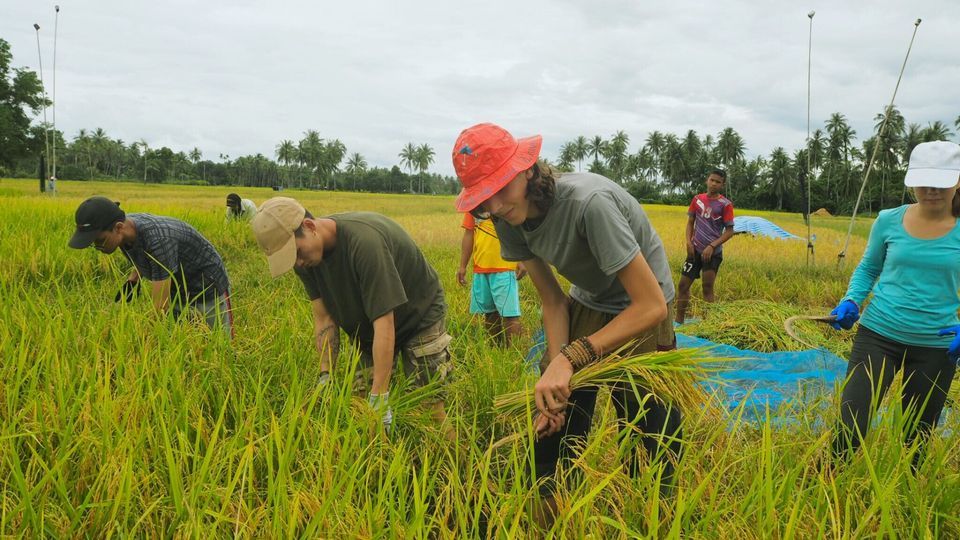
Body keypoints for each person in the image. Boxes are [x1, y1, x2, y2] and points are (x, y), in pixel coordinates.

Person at [451, 123, 681, 518]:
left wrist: (572, 356)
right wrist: (557, 369)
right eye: (483, 198)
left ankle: (653, 511)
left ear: (526, 170)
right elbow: (554, 302)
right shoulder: (505, 218)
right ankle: (550, 510)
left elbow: (651, 306)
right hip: (587, 296)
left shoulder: (589, 204)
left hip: (642, 299)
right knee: (558, 412)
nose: (495, 206)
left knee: (644, 417)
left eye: (500, 188)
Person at [250, 197, 453, 433]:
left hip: (418, 316)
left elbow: (385, 323)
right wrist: (326, 374)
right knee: (361, 409)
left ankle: (458, 463)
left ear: (310, 226)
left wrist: (380, 396)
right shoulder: (305, 260)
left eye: (296, 252)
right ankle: (380, 465)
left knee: (429, 408)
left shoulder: (365, 243)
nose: (297, 262)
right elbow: (324, 318)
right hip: (369, 325)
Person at [830, 140, 960, 470]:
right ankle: (829, 481)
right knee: (851, 422)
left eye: (940, 183)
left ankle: (905, 497)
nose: (931, 190)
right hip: (878, 335)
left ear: (957, 181)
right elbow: (869, 268)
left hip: (936, 346)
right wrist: (851, 299)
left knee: (917, 435)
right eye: (924, 182)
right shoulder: (888, 220)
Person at [68, 196, 234, 338]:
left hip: (207, 284)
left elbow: (160, 307)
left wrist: (144, 340)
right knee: (185, 338)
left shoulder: (159, 240)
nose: (98, 247)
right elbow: (144, 254)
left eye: (99, 240)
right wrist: (133, 280)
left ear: (118, 228)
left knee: (219, 342)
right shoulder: (126, 229)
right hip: (176, 285)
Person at [674, 169, 735, 324]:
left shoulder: (725, 205)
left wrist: (712, 246)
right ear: (707, 180)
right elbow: (690, 223)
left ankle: (708, 325)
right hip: (694, 251)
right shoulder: (697, 200)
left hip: (712, 254)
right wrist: (688, 242)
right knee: (682, 286)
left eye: (718, 182)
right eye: (712, 180)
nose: (714, 184)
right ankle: (678, 323)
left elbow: (729, 232)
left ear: (723, 185)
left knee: (707, 288)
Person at [457, 211, 526, 345]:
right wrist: (462, 266)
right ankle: (495, 349)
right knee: (489, 313)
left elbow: (517, 230)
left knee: (510, 315)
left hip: (504, 267)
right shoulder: (472, 206)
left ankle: (514, 354)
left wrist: (521, 259)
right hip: (481, 268)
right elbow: (469, 234)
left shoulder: (501, 201)